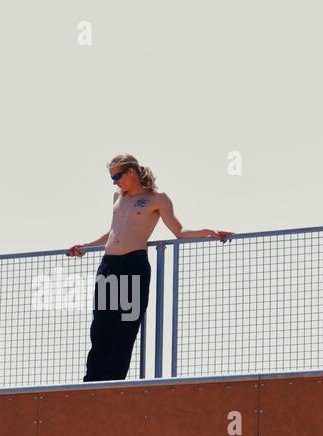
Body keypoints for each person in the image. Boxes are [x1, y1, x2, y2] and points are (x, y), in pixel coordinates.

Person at [67, 154, 233, 381]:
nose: (114, 181)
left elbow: (179, 232)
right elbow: (113, 231)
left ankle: (112, 381)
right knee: (100, 326)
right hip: (109, 265)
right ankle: (91, 382)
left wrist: (209, 232)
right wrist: (87, 246)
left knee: (125, 327)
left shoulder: (157, 199)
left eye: (117, 176)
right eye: (111, 177)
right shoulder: (117, 197)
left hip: (134, 265)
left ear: (131, 172)